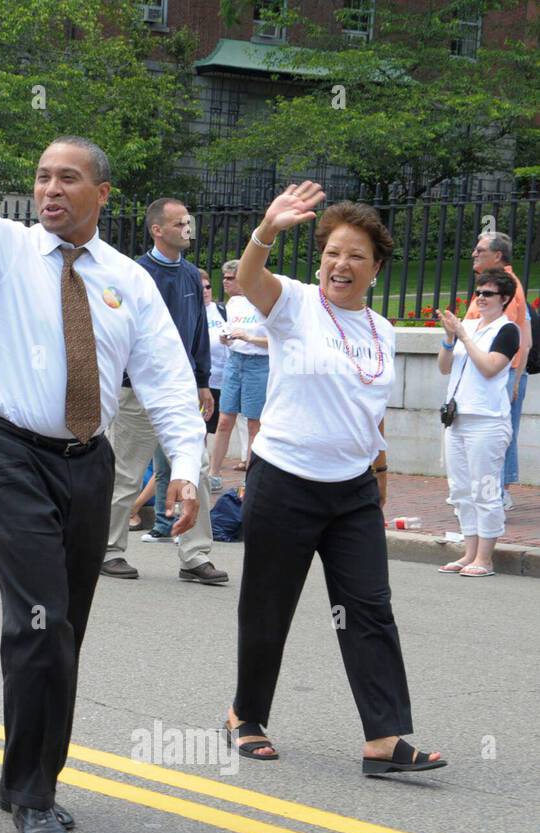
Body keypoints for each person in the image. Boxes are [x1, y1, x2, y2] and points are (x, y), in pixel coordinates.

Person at [0, 41, 205, 833]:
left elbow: (167, 380)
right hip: (9, 452)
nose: (49, 189)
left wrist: (189, 469)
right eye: (42, 176)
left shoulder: (128, 278)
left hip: (88, 464)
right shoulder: (2, 248)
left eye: (67, 178)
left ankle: (26, 771)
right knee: (40, 620)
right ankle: (35, 793)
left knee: (67, 627)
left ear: (101, 192)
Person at [227, 185, 445, 776]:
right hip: (284, 481)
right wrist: (267, 229)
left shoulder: (383, 330)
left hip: (351, 491)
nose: (339, 265)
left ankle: (384, 738)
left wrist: (379, 474)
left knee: (369, 607)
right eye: (331, 253)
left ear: (376, 267)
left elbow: (370, 410)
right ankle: (246, 716)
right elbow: (250, 278)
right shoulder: (293, 304)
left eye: (354, 256)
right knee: (269, 606)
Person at [100, 198, 226, 585]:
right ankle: (108, 549)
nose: (187, 228)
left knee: (197, 472)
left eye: (188, 221)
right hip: (136, 391)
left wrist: (202, 380)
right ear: (157, 230)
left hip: (181, 391)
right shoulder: (134, 273)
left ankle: (194, 555)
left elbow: (199, 331)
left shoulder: (190, 276)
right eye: (179, 223)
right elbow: (116, 330)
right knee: (125, 472)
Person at [436, 266, 519, 577]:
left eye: (488, 294)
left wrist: (464, 336)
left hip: (487, 421)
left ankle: (485, 557)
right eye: (479, 292)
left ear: (504, 298)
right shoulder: (467, 326)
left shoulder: (506, 330)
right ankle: (469, 552)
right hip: (457, 419)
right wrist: (448, 339)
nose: (481, 298)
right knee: (460, 489)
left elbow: (489, 367)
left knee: (484, 488)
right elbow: (445, 368)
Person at [466, 232, 531, 511]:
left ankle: (498, 494)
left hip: (502, 370)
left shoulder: (508, 287)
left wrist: (516, 378)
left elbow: (520, 335)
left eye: (480, 250)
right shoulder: (492, 285)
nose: (474, 253)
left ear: (498, 256)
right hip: (491, 370)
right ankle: (491, 493)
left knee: (496, 436)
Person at [209, 259, 269, 483]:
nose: (225, 282)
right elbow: (230, 334)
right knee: (225, 420)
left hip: (258, 364)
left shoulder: (263, 302)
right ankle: (214, 474)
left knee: (254, 422)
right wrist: (226, 339)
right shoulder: (232, 304)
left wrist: (250, 337)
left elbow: (277, 340)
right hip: (235, 361)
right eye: (223, 277)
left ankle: (250, 479)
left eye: (230, 278)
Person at [200, 268, 229, 489]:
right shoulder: (192, 312)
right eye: (200, 288)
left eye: (208, 286)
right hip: (202, 382)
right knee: (198, 427)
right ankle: (198, 470)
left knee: (219, 426)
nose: (205, 291)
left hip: (222, 379)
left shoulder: (221, 310)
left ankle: (213, 473)